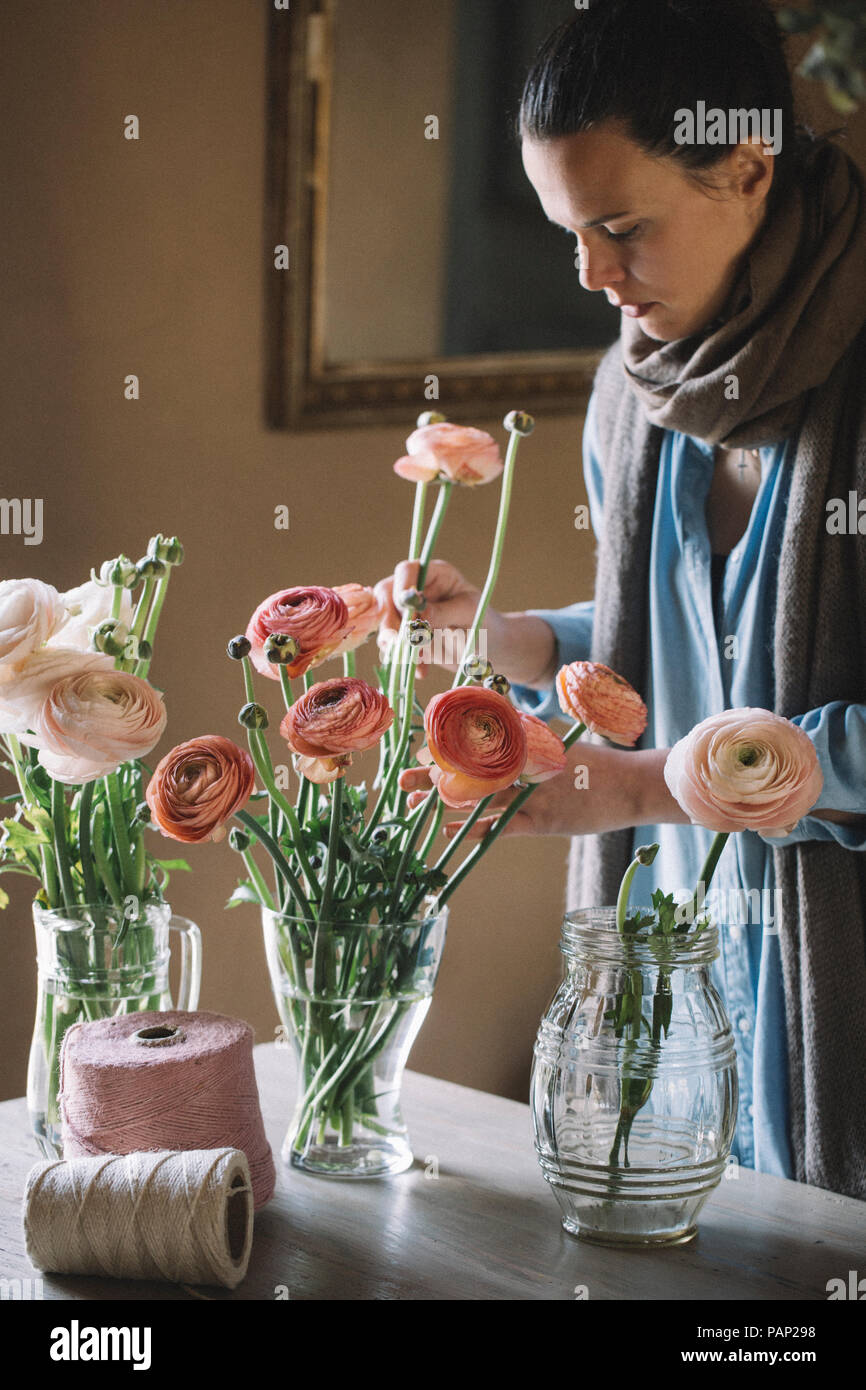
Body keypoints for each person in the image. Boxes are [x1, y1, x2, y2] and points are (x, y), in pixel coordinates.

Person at [375, 0, 866, 1199]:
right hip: (700, 990)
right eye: (565, 233)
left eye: (619, 228)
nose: (591, 276)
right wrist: (507, 638)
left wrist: (652, 787)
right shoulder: (633, 396)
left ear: (746, 166)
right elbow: (686, 651)